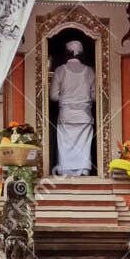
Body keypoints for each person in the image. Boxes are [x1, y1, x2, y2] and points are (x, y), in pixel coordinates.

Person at [50, 40, 96, 176]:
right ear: (81, 54)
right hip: (84, 115)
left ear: (66, 53)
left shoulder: (60, 70)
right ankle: (83, 170)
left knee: (65, 145)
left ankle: (66, 170)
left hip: (66, 115)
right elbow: (95, 97)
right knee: (83, 145)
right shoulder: (89, 71)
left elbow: (53, 96)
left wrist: (67, 99)